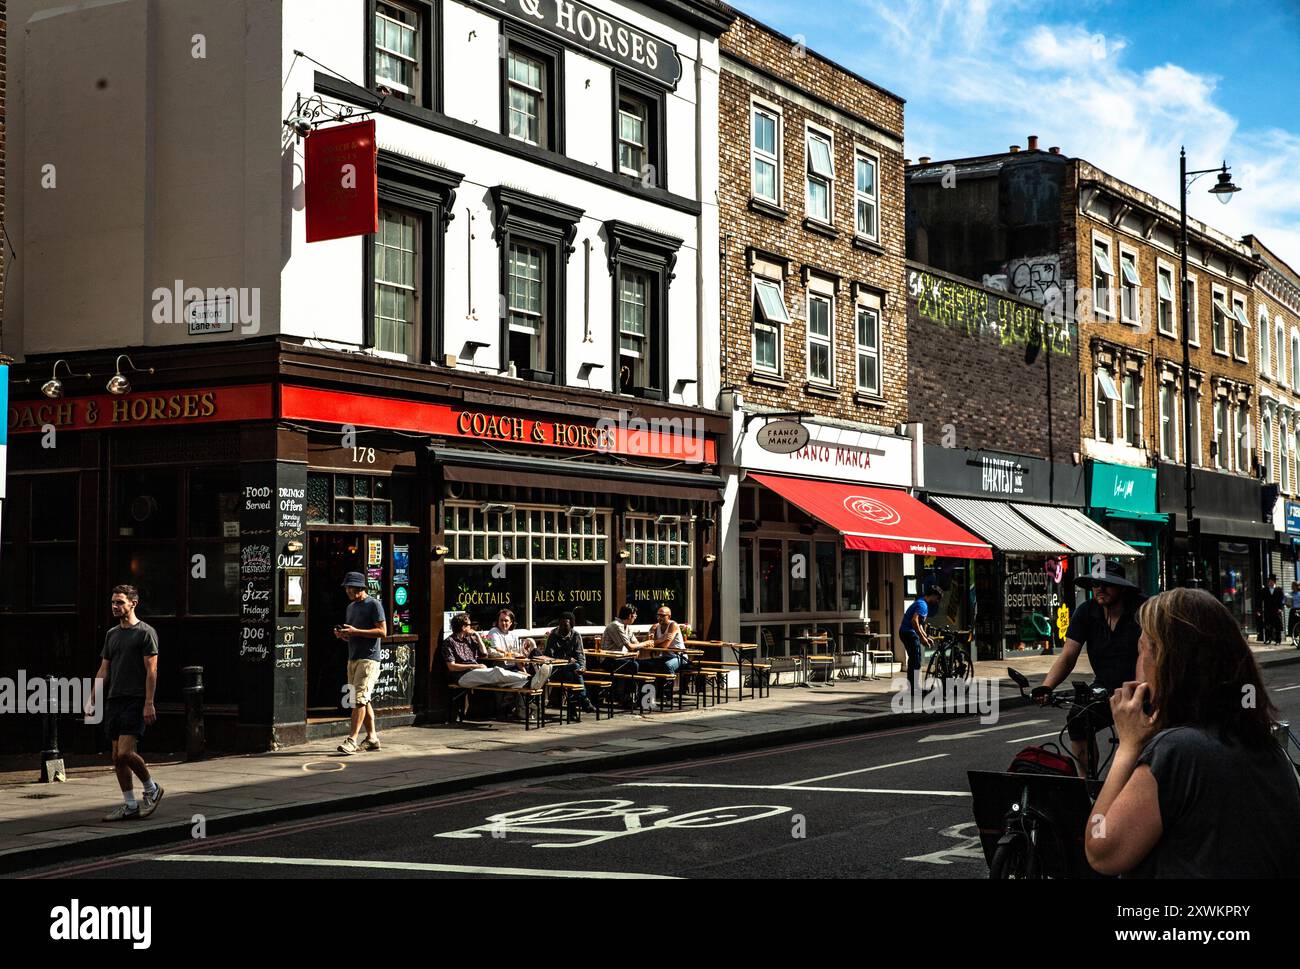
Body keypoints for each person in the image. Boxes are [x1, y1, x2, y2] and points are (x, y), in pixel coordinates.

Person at [1083, 587, 1300, 877]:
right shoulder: (1268, 747)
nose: (1136, 666)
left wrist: (1128, 747)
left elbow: (1101, 851)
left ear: (1167, 662)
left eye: (1141, 650)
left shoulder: (1176, 752)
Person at [1033, 560, 1144, 777]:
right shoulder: (1087, 612)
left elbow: (1148, 654)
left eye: (1107, 584)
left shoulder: (1141, 610)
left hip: (1140, 686)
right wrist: (1047, 687)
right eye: (1095, 584)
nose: (1100, 589)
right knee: (1078, 719)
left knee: (1138, 737)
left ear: (1121, 587)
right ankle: (1087, 784)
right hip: (1104, 686)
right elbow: (1068, 655)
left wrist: (1138, 691)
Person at [87, 585, 164, 821]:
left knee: (125, 751)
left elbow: (152, 671)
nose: (114, 606)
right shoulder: (112, 634)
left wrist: (149, 703)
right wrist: (92, 698)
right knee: (116, 757)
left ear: (133, 603)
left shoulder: (145, 633)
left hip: (135, 699)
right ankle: (130, 805)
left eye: (119, 602)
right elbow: (104, 669)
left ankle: (152, 788)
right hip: (114, 699)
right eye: (113, 602)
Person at [335, 572, 388, 754]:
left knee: (358, 699)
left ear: (361, 588)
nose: (348, 591)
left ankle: (352, 740)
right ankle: (372, 738)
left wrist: (356, 631)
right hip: (353, 656)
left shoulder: (374, 604)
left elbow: (383, 632)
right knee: (361, 699)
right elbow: (353, 633)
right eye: (347, 587)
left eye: (351, 587)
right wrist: (344, 635)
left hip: (369, 658)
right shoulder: (351, 607)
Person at [543, 612, 596, 714]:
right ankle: (584, 700)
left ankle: (572, 711)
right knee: (574, 668)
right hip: (556, 670)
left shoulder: (576, 636)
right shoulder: (553, 635)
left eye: (566, 625)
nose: (563, 628)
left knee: (572, 675)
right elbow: (548, 657)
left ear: (571, 625)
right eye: (561, 625)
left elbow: (580, 655)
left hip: (570, 671)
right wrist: (567, 660)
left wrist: (582, 667)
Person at [899, 584, 942, 695]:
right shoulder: (923, 605)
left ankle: (912, 688)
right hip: (909, 633)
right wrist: (922, 638)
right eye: (937, 598)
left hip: (905, 632)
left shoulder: (920, 601)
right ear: (933, 595)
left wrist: (925, 637)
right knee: (916, 661)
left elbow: (920, 624)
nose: (937, 601)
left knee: (913, 660)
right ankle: (915, 689)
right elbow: (914, 621)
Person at [600, 605, 642, 705]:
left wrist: (637, 648)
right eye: (635, 615)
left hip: (619, 659)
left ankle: (628, 696)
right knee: (633, 666)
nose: (636, 617)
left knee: (638, 664)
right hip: (607, 659)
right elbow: (630, 646)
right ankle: (626, 697)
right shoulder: (616, 625)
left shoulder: (627, 627)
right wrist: (645, 644)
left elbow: (635, 643)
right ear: (629, 616)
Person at [1261, 574, 1284, 644]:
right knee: (1268, 625)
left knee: (1277, 626)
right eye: (1269, 581)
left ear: (1274, 582)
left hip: (1277, 610)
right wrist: (1259, 610)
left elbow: (1282, 600)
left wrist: (1281, 608)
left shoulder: (1279, 589)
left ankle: (1278, 640)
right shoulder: (1265, 590)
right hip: (1268, 610)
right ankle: (1268, 639)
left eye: (1271, 581)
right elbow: (1261, 599)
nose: (1270, 583)